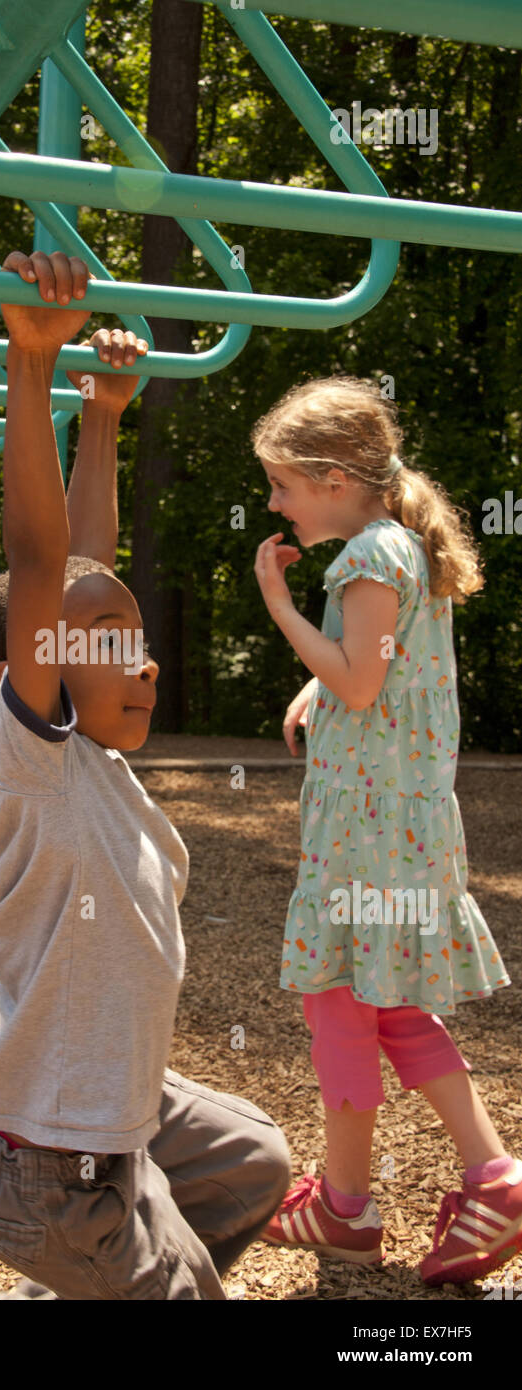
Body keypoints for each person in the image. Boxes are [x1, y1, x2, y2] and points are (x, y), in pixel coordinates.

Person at [0, 249, 290, 1302]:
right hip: (43, 1166)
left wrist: (102, 413)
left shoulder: (89, 757)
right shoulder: (35, 768)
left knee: (252, 1162)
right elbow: (50, 568)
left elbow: (82, 570)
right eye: (108, 641)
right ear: (35, 669)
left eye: (137, 634)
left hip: (106, 1115)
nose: (142, 657)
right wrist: (28, 367)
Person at [252, 375, 520, 1286]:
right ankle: (494, 1178)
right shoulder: (399, 544)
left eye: (283, 483)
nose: (275, 501)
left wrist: (281, 609)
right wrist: (316, 681)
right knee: (392, 1002)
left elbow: (361, 682)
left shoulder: (364, 556)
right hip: (399, 823)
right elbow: (381, 670)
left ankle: (345, 1207)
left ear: (332, 478)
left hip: (367, 831)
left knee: (337, 998)